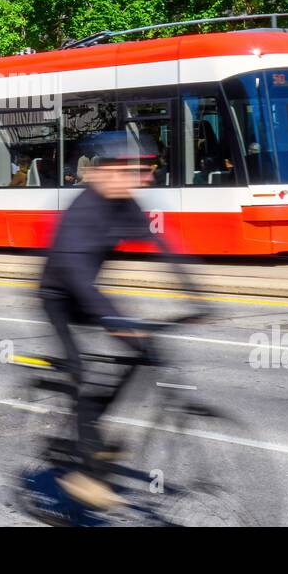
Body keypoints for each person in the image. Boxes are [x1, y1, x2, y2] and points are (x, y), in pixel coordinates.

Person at [36, 130, 188, 510]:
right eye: (139, 169)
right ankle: (84, 473)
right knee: (81, 372)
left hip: (90, 295)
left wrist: (198, 297)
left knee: (145, 350)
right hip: (59, 297)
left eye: (148, 169)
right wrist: (114, 320)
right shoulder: (82, 212)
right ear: (109, 172)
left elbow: (165, 248)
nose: (148, 177)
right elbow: (74, 273)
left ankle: (94, 433)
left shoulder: (126, 204)